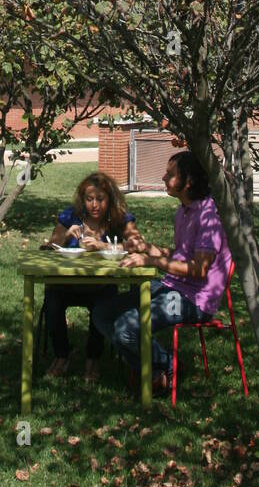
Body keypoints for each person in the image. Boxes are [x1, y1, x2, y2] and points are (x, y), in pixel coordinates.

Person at [92, 150, 231, 395]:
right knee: (101, 313)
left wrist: (150, 260)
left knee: (126, 328)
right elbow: (181, 255)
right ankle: (160, 369)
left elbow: (199, 270)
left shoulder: (209, 218)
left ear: (187, 182)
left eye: (170, 174)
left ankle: (167, 365)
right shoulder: (185, 210)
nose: (164, 177)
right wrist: (148, 248)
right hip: (172, 286)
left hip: (195, 301)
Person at [40, 172, 138, 382]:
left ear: (110, 199)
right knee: (52, 303)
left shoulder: (118, 219)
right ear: (82, 199)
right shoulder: (71, 217)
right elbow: (51, 246)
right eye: (89, 199)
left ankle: (93, 359)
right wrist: (66, 237)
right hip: (67, 284)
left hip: (101, 285)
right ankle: (61, 355)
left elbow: (136, 244)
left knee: (102, 305)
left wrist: (104, 245)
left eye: (100, 199)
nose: (94, 205)